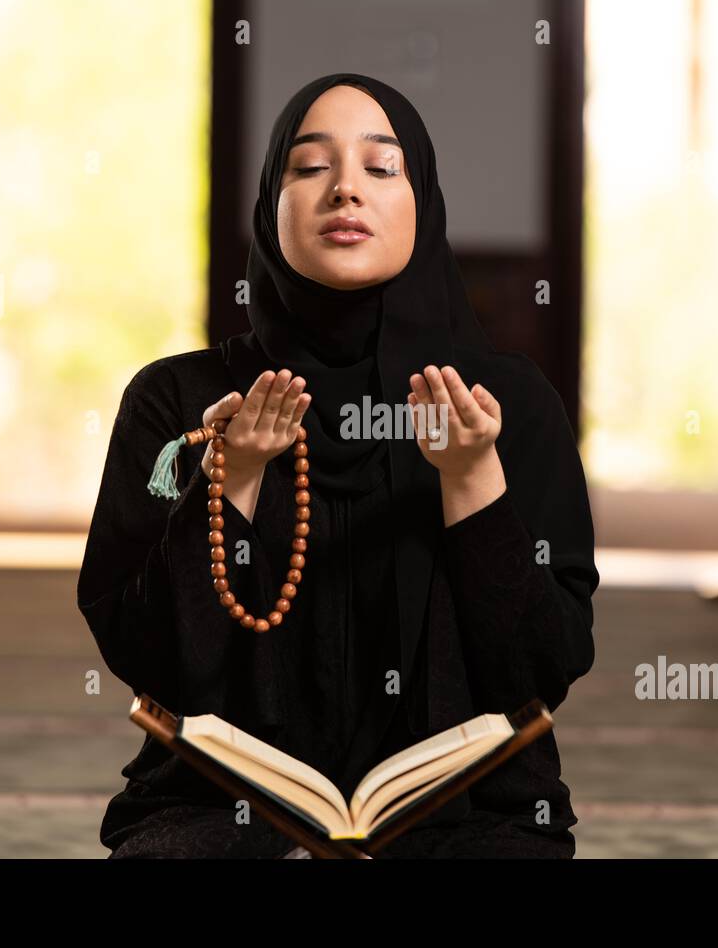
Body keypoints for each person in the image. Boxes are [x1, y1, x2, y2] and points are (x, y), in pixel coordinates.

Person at [76, 72, 600, 858]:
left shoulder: (504, 404)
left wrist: (471, 483)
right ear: (267, 205)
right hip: (221, 808)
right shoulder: (177, 399)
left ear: (422, 200)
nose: (345, 190)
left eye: (381, 168)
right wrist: (233, 480)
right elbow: (153, 665)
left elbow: (541, 669)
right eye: (311, 167)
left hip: (471, 813)